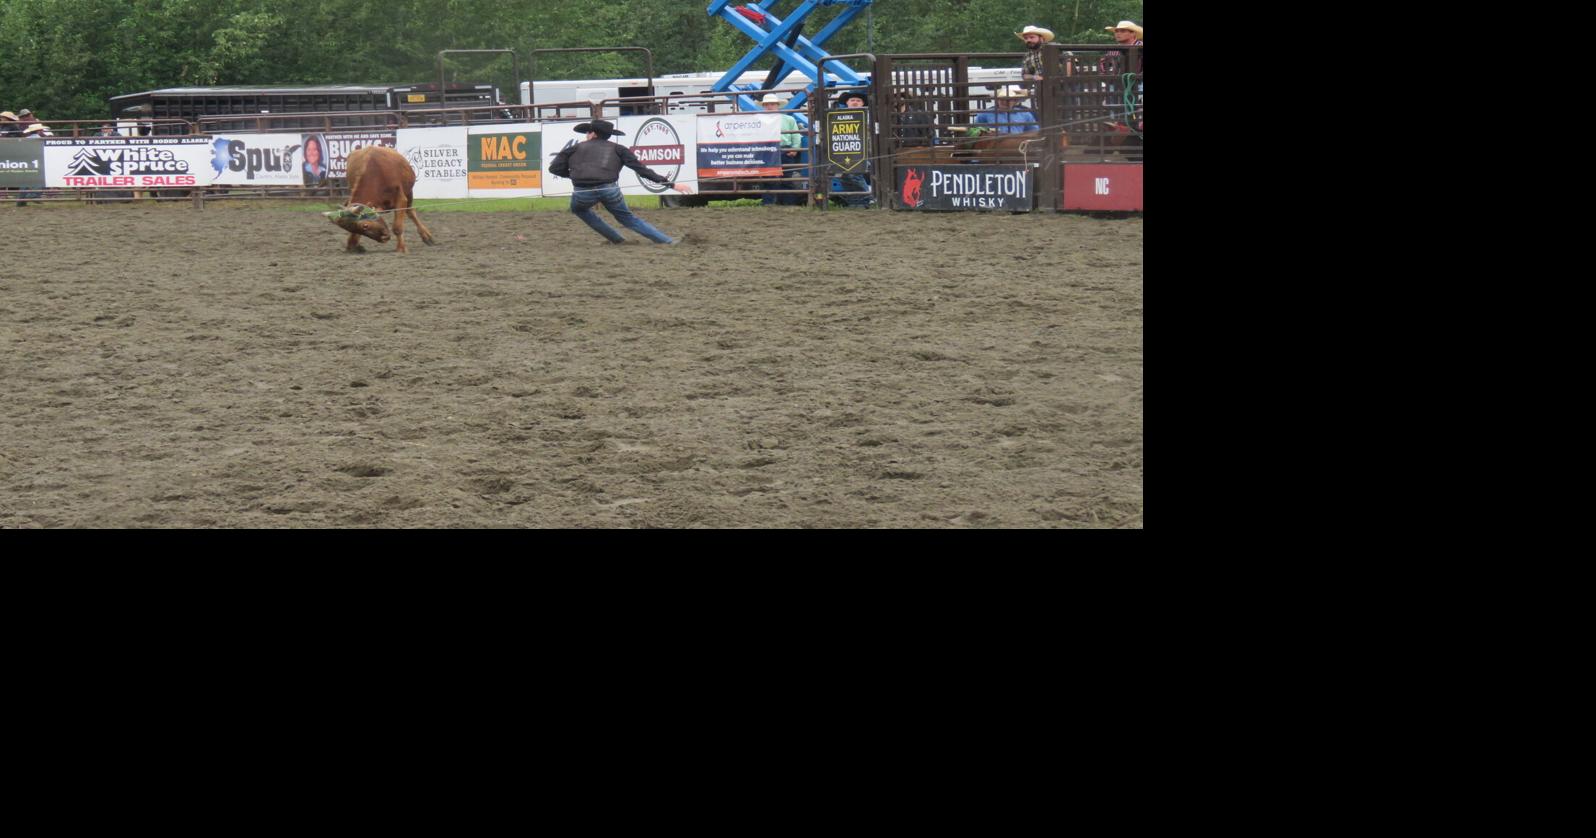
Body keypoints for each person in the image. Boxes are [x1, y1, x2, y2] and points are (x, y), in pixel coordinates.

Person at [547, 119, 691, 245]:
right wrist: (671, 185)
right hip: (609, 189)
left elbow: (554, 168)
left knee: (578, 209)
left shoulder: (574, 148)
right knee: (627, 218)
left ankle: (616, 239)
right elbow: (641, 170)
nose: (586, 135)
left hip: (582, 192)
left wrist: (574, 175)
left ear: (593, 134)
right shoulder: (618, 149)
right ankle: (667, 241)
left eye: (588, 132)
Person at [760, 93, 805, 206]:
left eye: (772, 104)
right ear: (763, 106)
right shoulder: (759, 119)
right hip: (767, 150)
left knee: (786, 177)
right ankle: (769, 202)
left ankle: (787, 202)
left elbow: (795, 135)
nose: (769, 106)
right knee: (768, 178)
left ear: (777, 105)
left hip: (784, 150)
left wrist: (794, 149)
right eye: (767, 104)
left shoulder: (788, 119)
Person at [971, 86, 1038, 135]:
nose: (1004, 102)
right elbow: (975, 131)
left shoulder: (1025, 114)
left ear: (1015, 101)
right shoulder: (985, 114)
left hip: (1017, 146)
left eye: (1008, 100)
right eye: (1001, 99)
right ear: (997, 100)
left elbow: (1034, 132)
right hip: (994, 147)